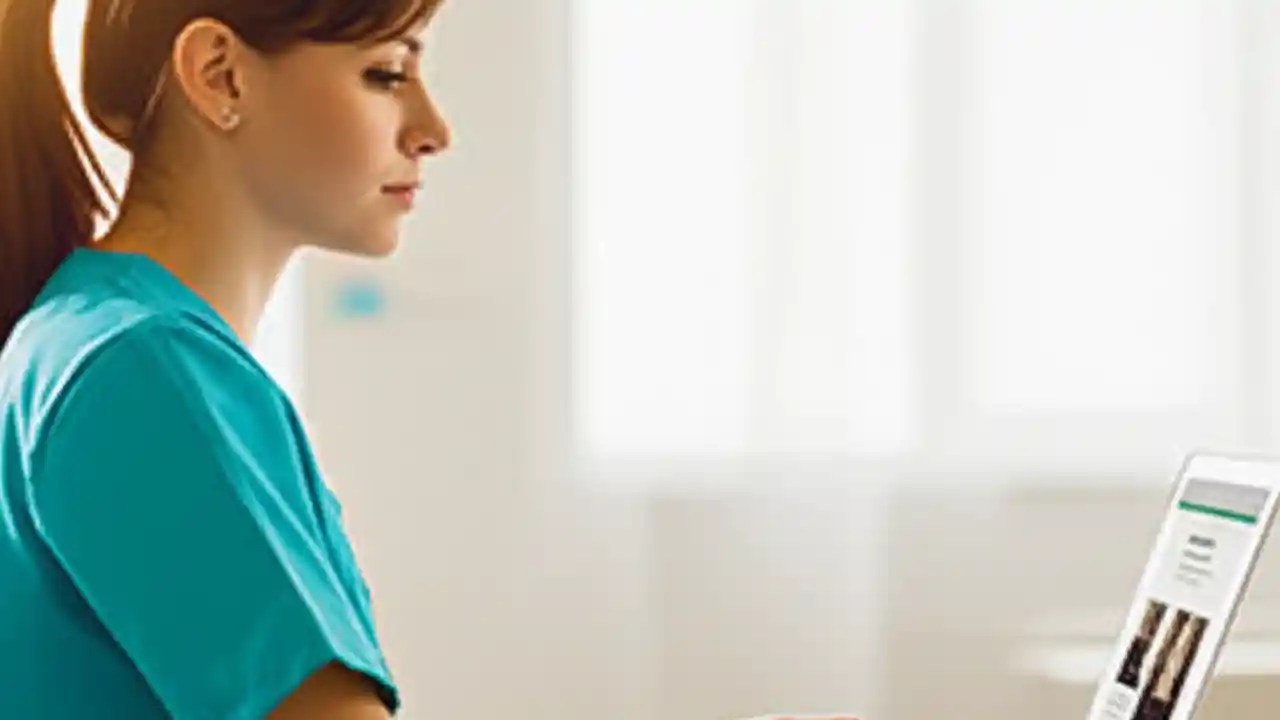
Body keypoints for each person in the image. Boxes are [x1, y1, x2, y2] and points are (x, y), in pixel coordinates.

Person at [0, 0, 448, 717]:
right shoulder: (139, 372)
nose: (435, 131)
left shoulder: (84, 340)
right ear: (220, 76)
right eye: (387, 74)